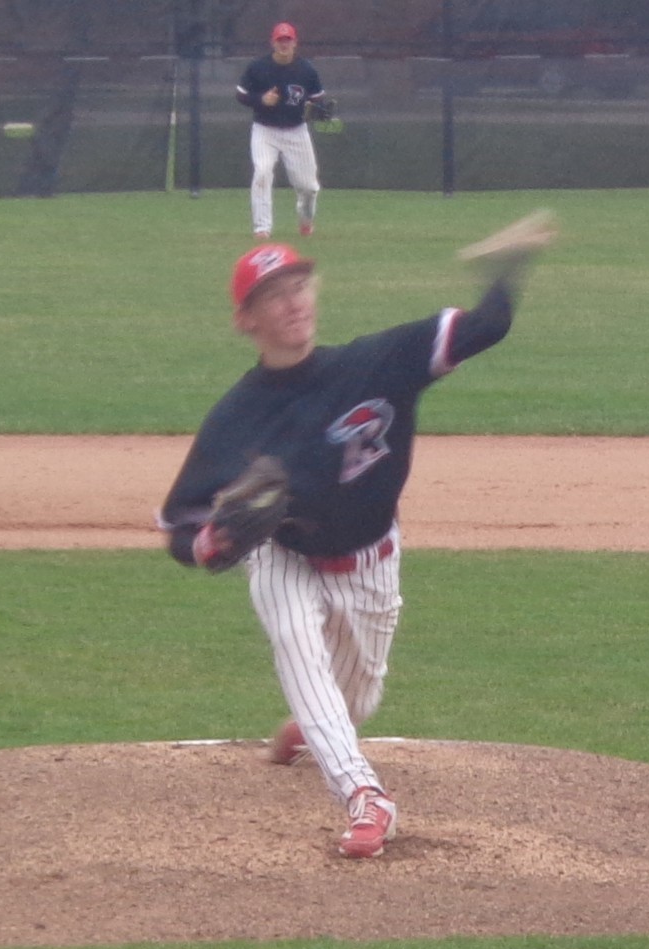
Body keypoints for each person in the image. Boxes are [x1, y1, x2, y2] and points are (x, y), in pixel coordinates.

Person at [157, 219, 553, 858]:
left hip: (372, 563)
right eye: (272, 296)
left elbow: (485, 327)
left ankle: (316, 730)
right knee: (293, 638)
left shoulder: (377, 362)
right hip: (287, 558)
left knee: (357, 695)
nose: (293, 302)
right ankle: (367, 797)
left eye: (299, 286)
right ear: (246, 320)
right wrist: (212, 543)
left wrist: (506, 266)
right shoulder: (236, 419)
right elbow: (180, 528)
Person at [236, 22, 325, 240]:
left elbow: (317, 100)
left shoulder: (306, 70)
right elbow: (241, 94)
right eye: (280, 40)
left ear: (295, 43)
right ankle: (262, 228)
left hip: (296, 130)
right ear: (273, 43)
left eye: (288, 40)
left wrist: (318, 111)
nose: (284, 44)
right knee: (263, 172)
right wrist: (261, 99)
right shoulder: (258, 67)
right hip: (265, 130)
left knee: (309, 187)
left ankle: (305, 221)